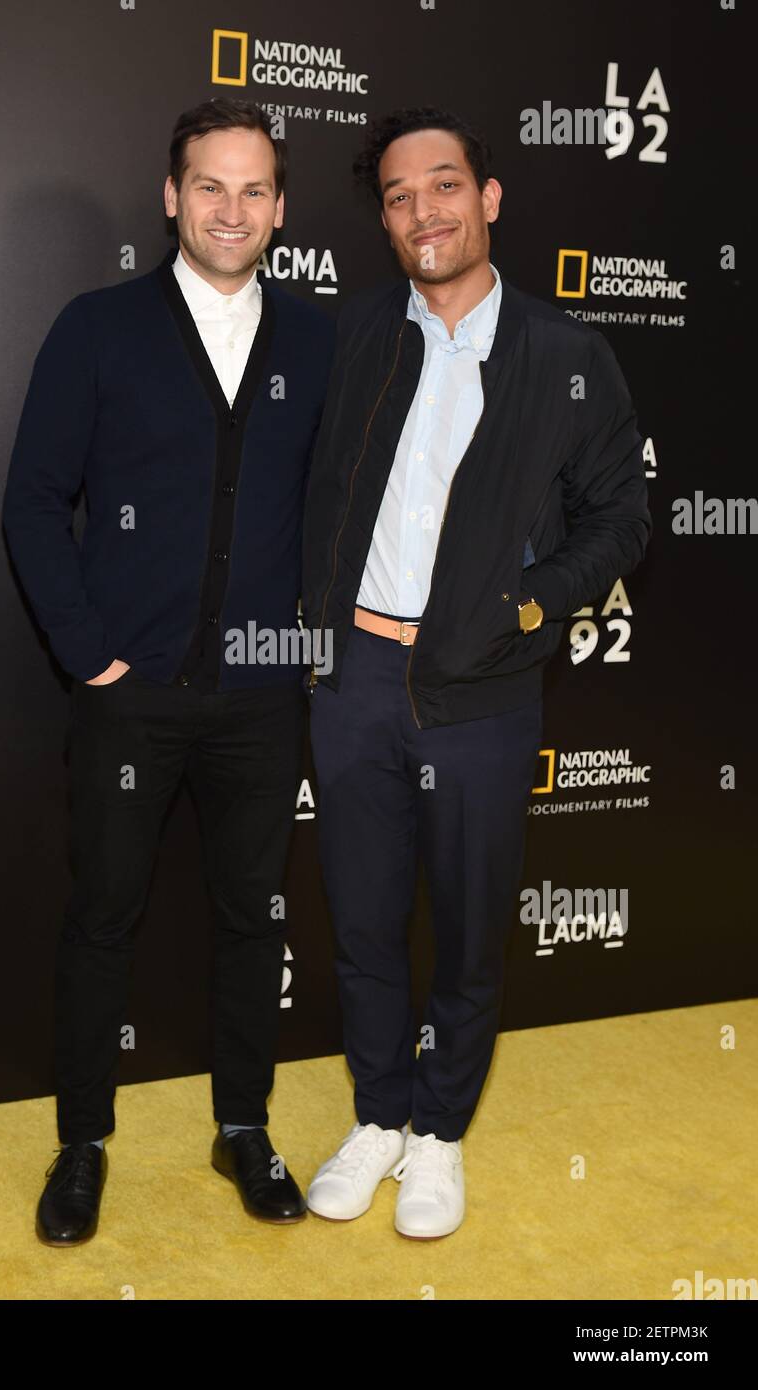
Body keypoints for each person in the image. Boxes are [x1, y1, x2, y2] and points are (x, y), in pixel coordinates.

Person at [301, 108, 651, 1239]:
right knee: (359, 919)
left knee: (464, 928)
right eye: (398, 197)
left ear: (487, 198)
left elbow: (620, 516)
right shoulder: (355, 338)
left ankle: (441, 1134)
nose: (422, 212)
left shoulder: (565, 355)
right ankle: (378, 1117)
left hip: (482, 692)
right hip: (353, 677)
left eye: (443, 186)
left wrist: (527, 601)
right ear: (385, 220)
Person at [2, 97, 335, 1244]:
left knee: (252, 917)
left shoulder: (320, 340)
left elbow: (345, 509)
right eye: (208, 186)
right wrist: (88, 652)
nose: (229, 209)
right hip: (127, 696)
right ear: (170, 195)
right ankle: (82, 1141)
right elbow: (34, 502)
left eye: (252, 190)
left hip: (259, 697)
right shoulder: (96, 327)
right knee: (103, 916)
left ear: (280, 208)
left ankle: (243, 1125)